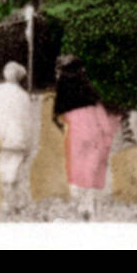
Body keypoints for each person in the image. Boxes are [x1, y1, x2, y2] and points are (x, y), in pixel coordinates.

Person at [53, 55, 121, 219]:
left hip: (75, 133)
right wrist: (106, 136)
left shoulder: (62, 90)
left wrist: (63, 128)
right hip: (94, 133)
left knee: (76, 167)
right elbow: (101, 116)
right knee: (91, 168)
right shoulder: (89, 90)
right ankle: (88, 206)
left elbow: (55, 117)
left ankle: (78, 203)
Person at [0, 62, 37, 214]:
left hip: (1, 136)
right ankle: (12, 202)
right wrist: (29, 145)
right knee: (14, 170)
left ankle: (8, 202)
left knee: (5, 169)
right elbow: (28, 123)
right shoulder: (24, 96)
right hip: (19, 138)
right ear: (20, 78)